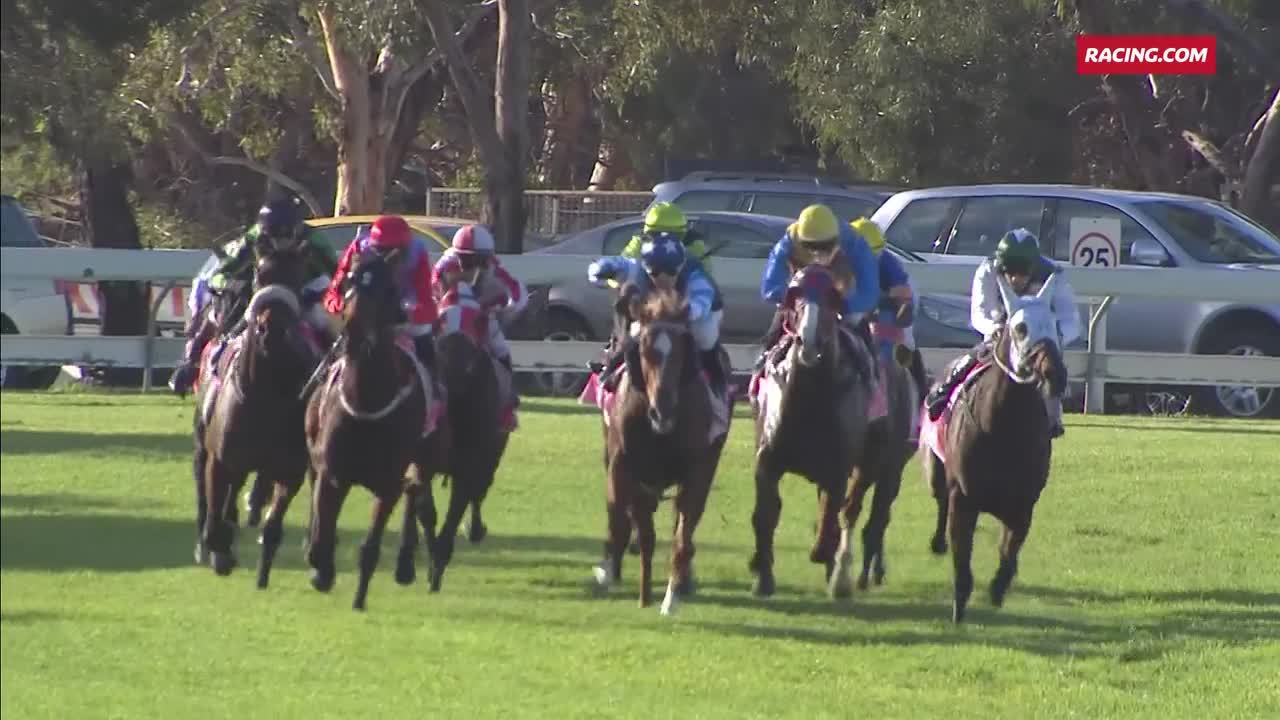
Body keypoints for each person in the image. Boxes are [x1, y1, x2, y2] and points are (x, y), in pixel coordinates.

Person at [923, 227, 1082, 438]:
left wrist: (1058, 336)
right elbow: (979, 313)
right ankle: (944, 392)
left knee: (1052, 368)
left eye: (1023, 273)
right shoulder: (988, 269)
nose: (1015, 279)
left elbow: (1071, 318)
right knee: (975, 356)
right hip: (999, 335)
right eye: (1009, 271)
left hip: (1036, 339)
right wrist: (994, 328)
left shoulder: (1054, 275)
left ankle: (1053, 414)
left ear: (1033, 268)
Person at [169, 197, 337, 395]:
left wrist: (318, 292)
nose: (279, 243)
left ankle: (333, 367)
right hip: (264, 288)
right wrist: (229, 284)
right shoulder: (254, 236)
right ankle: (189, 364)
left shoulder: (315, 240)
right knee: (218, 317)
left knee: (320, 320)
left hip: (305, 289)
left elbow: (337, 273)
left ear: (297, 229)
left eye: (285, 236)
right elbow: (221, 273)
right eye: (273, 235)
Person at [587, 233, 726, 397]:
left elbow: (702, 303)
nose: (663, 278)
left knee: (705, 338)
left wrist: (682, 313)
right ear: (645, 267)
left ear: (681, 266)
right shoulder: (636, 267)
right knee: (634, 334)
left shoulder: (695, 275)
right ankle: (610, 370)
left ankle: (718, 384)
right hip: (655, 316)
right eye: (655, 272)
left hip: (698, 314)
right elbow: (608, 265)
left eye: (670, 271)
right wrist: (601, 269)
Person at [755, 203, 881, 375]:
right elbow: (770, 285)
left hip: (840, 295)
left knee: (856, 321)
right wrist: (787, 299)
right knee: (779, 320)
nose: (817, 255)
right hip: (803, 297)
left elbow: (869, 291)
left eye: (825, 247)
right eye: (810, 248)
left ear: (837, 239)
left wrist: (846, 305)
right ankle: (761, 365)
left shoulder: (854, 242)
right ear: (800, 239)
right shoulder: (789, 240)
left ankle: (870, 370)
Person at [433, 225, 528, 429]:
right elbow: (432, 287)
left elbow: (518, 295)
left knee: (502, 351)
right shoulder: (445, 264)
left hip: (481, 316)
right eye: (466, 259)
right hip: (446, 315)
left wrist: (500, 309)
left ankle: (507, 407)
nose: (471, 265)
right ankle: (426, 407)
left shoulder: (494, 265)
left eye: (477, 260)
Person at [323, 215, 439, 372]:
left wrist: (409, 314)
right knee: (330, 339)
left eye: (396, 253)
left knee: (423, 331)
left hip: (401, 311)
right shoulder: (359, 248)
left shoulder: (417, 253)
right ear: (372, 247)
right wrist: (344, 306)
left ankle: (435, 386)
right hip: (364, 313)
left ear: (406, 247)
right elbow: (332, 293)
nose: (388, 259)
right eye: (381, 251)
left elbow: (428, 305)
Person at [852, 216, 929, 399]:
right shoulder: (841, 259)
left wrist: (900, 311)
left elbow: (904, 304)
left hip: (890, 304)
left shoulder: (889, 264)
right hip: (861, 303)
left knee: (906, 342)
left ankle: (920, 392)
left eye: (876, 253)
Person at [620, 202, 713, 276]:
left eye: (672, 236)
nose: (664, 240)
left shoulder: (693, 244)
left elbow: (706, 272)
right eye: (657, 234)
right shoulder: (640, 242)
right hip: (647, 295)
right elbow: (621, 267)